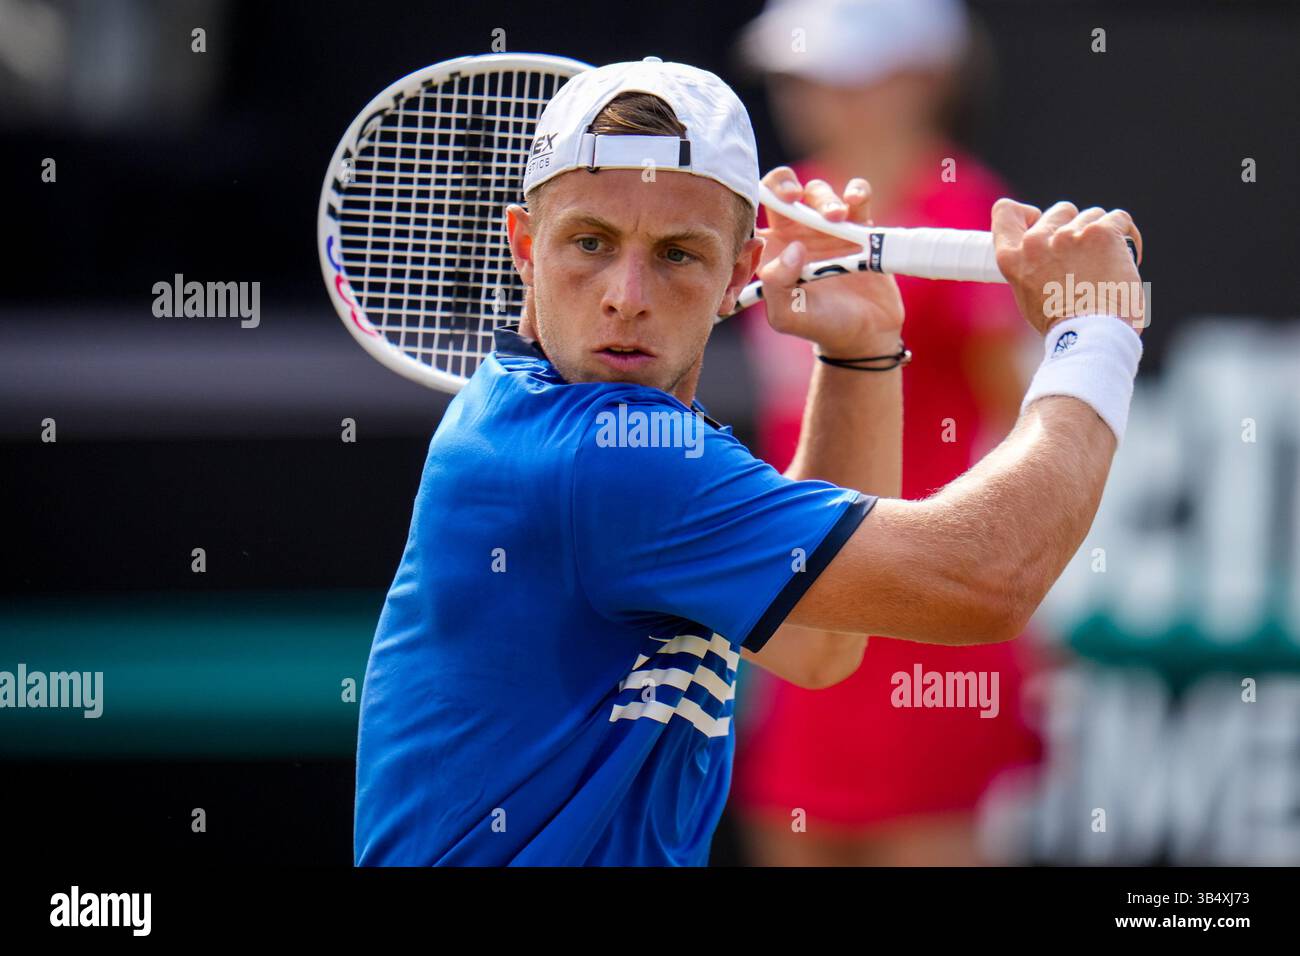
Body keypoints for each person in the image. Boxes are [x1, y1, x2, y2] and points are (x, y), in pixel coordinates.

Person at [352, 57, 1145, 866]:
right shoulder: (603, 460)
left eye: (676, 254)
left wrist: (858, 352)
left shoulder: (609, 442)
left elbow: (817, 642)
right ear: (524, 245)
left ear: (738, 273)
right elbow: (985, 577)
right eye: (590, 242)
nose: (626, 292)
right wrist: (1096, 336)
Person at [731, 0, 1044, 865]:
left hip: (927, 630)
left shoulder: (974, 213)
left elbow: (1027, 427)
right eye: (805, 75)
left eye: (852, 73)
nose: (822, 96)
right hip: (800, 613)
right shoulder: (784, 206)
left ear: (927, 76)